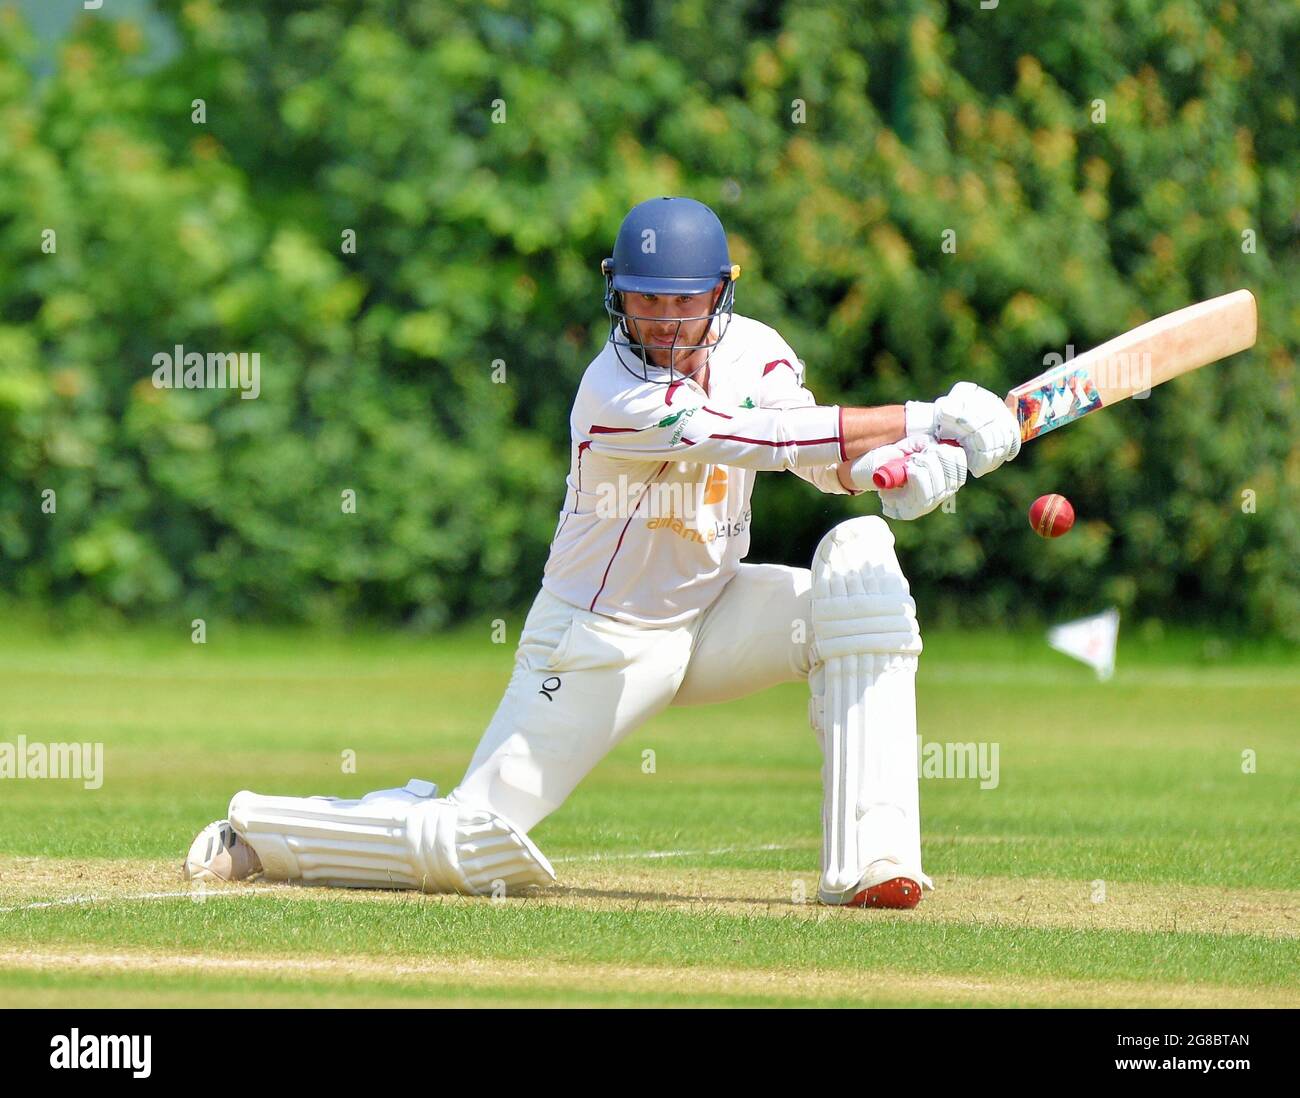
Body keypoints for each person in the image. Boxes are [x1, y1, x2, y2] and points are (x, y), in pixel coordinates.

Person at [184, 197, 1019, 908]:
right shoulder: (613, 392)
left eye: (679, 300)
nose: (659, 320)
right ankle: (268, 830)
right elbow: (749, 438)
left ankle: (872, 864)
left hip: (716, 613)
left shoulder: (757, 349)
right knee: (475, 847)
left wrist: (893, 471)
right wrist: (923, 416)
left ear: (721, 293)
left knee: (863, 570)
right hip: (599, 642)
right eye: (642, 298)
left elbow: (808, 448)